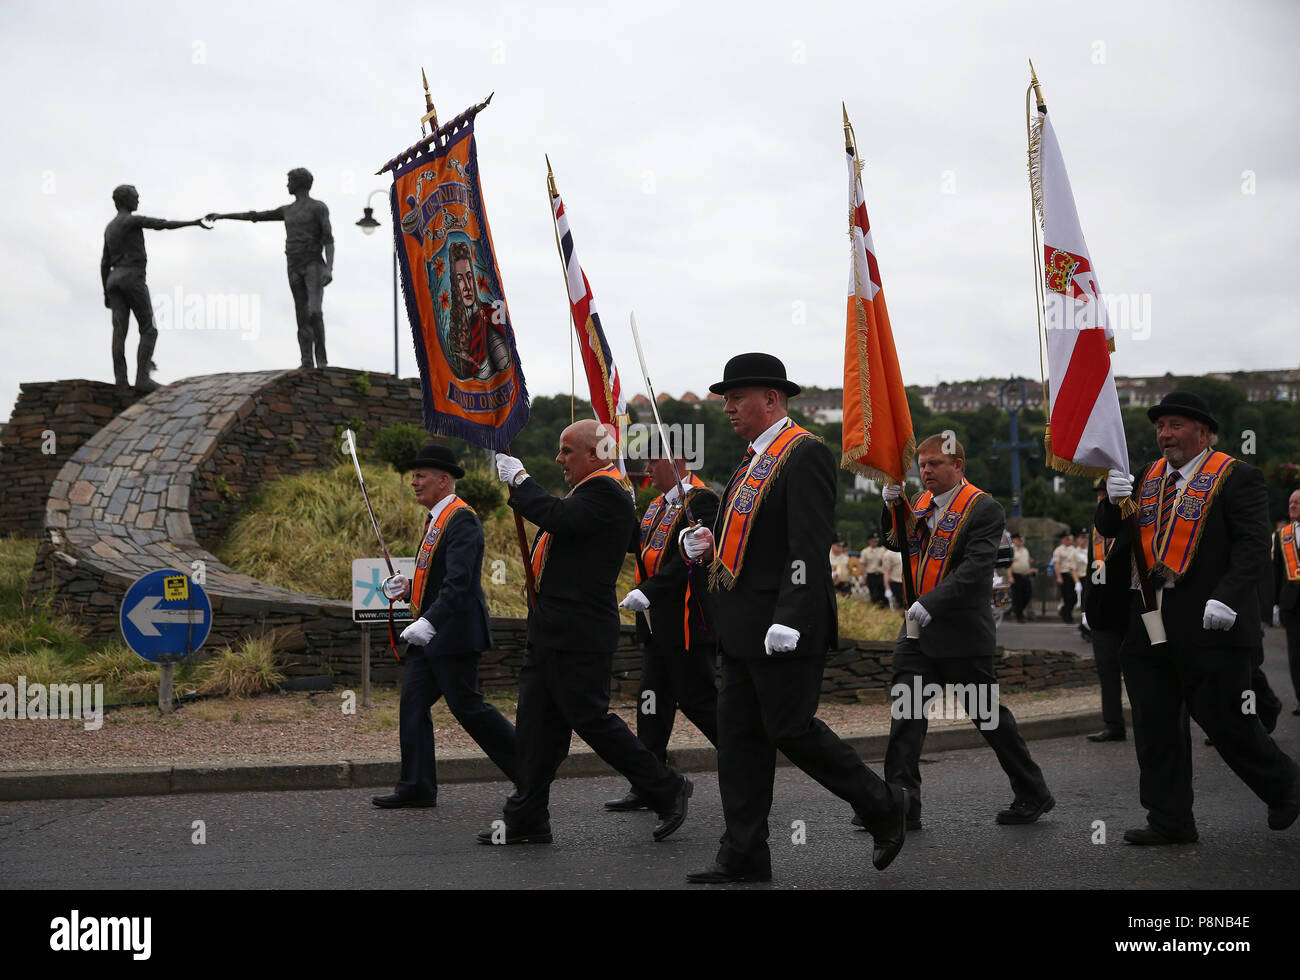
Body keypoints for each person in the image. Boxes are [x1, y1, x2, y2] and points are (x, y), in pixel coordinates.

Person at [679, 353, 907, 884]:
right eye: (726, 400)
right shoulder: (749, 460)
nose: (729, 408)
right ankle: (744, 853)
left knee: (791, 729)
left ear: (772, 399)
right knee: (739, 744)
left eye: (738, 398)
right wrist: (707, 546)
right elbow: (754, 544)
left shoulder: (803, 453)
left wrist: (790, 614)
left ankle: (881, 804)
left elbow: (807, 543)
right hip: (740, 626)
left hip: (782, 625)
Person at [1098, 391, 1299, 844]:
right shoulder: (1147, 476)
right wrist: (1112, 501)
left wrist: (1227, 597)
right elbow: (1112, 529)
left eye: (1175, 425)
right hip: (1146, 616)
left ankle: (1285, 785)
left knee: (1225, 719)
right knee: (1154, 724)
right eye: (1160, 427)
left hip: (1209, 618)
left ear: (1204, 433)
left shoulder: (1236, 476)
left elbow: (1252, 544)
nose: (1165, 435)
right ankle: (1169, 819)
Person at [486, 421, 692, 844]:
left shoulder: (607, 493)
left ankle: (666, 786)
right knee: (537, 728)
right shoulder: (592, 490)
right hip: (553, 628)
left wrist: (521, 481)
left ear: (595, 454)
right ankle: (528, 816)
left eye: (566, 451)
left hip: (577, 631)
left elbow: (558, 518)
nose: (560, 459)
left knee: (591, 720)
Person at [879, 433, 1054, 829]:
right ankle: (901, 804)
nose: (926, 472)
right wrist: (890, 506)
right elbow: (897, 544)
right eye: (921, 466)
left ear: (957, 465)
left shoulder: (983, 508)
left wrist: (931, 602)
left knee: (989, 717)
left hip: (960, 633)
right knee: (906, 715)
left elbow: (976, 569)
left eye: (935, 465)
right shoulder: (920, 504)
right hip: (916, 632)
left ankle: (1033, 791)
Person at [372, 444, 518, 808]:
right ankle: (416, 787)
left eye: (421, 476)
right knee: (413, 704)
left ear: (443, 479)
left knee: (468, 708)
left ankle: (531, 766)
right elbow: (437, 580)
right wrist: (407, 589)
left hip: (453, 633)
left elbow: (460, 582)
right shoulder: (437, 519)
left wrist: (429, 621)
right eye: (414, 476)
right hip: (432, 634)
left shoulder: (461, 518)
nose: (414, 483)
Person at [606, 438, 720, 811]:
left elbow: (690, 558)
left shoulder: (701, 501)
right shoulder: (657, 506)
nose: (648, 469)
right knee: (651, 702)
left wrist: (651, 590)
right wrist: (618, 509)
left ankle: (746, 758)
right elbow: (635, 546)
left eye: (654, 462)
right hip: (656, 625)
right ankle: (649, 782)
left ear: (678, 461)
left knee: (698, 700)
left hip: (688, 621)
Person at [206, 168, 334, 369]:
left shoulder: (318, 207)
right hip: (293, 265)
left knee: (314, 312)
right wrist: (223, 216)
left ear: (299, 183)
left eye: (289, 180)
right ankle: (306, 360)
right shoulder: (287, 210)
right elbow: (255, 216)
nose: (287, 185)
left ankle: (322, 359)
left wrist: (330, 268)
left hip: (313, 264)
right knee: (301, 315)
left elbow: (328, 239)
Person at [101, 185, 210, 391]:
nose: (138, 200)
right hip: (132, 277)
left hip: (113, 280)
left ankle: (121, 380)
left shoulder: (109, 228)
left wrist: (106, 291)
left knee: (119, 331)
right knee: (149, 329)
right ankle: (142, 378)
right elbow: (163, 225)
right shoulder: (132, 221)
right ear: (126, 200)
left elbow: (104, 263)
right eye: (136, 197)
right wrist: (193, 222)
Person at [1081, 479, 1126, 742]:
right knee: (1106, 668)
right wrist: (1086, 607)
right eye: (1099, 494)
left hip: (1130, 605)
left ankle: (1147, 721)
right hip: (1102, 607)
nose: (1101, 498)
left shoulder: (1133, 519)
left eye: (1104, 494)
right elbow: (1090, 568)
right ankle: (1113, 723)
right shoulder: (1096, 529)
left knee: (1138, 669)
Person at [447, 240, 511, 381]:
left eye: (469, 277)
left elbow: (505, 365)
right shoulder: (454, 327)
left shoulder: (489, 314)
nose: (467, 286)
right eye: (460, 280)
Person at [1274, 489, 1300, 715]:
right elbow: (1275, 573)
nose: (1292, 506)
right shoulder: (1284, 535)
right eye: (1291, 502)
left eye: (1297, 503)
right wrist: (1274, 604)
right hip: (1291, 604)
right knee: (1295, 654)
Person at [1007, 533, 1035, 622]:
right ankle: (1019, 616)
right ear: (1014, 540)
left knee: (1027, 594)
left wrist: (1029, 567)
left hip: (1025, 575)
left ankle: (1017, 610)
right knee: (1018, 596)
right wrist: (1010, 576)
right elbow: (1008, 565)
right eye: (1019, 540)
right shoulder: (1012, 550)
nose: (1021, 542)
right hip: (1016, 575)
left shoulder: (1025, 550)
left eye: (1022, 540)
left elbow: (1027, 561)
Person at [1052, 531, 1078, 623]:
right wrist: (1059, 577)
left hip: (1073, 575)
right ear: (1062, 540)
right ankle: (1067, 617)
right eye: (1066, 539)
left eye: (1069, 538)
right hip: (1064, 575)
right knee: (1067, 597)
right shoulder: (1058, 550)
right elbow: (1056, 564)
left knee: (1075, 597)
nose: (1068, 540)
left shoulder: (1074, 549)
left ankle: (1064, 610)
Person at [862, 533, 888, 607]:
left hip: (880, 574)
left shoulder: (882, 550)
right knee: (873, 592)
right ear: (869, 541)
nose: (875, 542)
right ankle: (874, 608)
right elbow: (863, 566)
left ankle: (884, 607)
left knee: (882, 592)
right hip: (871, 575)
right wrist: (863, 578)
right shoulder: (865, 551)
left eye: (876, 541)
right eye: (873, 541)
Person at [882, 544, 904, 610]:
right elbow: (886, 572)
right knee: (899, 605)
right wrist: (887, 588)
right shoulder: (888, 554)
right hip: (896, 582)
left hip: (906, 582)